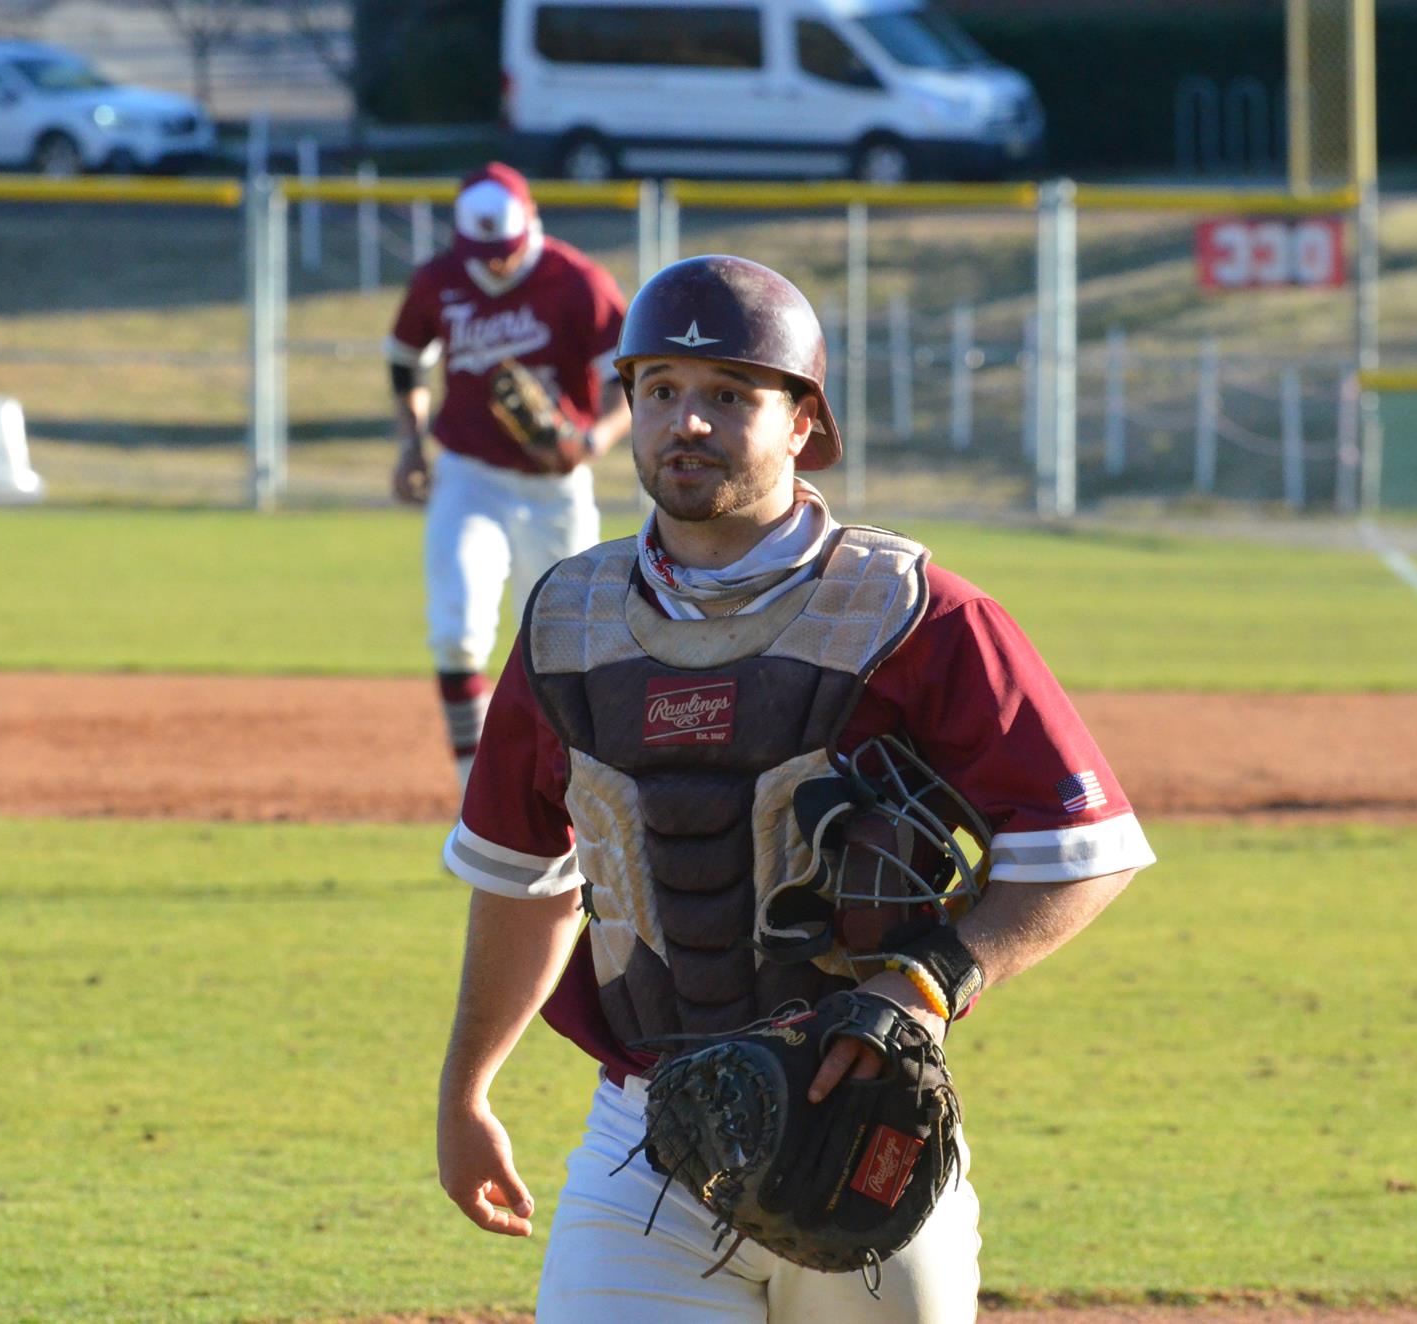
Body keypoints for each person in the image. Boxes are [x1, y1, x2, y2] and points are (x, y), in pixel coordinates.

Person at [435, 254, 1156, 1323]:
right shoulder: (563, 624)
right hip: (644, 1132)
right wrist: (465, 1088)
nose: (687, 423)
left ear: (801, 423)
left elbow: (1082, 848)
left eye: (728, 395)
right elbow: (522, 877)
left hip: (858, 1127)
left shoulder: (912, 611)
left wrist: (921, 983)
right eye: (661, 392)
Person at [385, 161, 632, 787]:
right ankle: (475, 798)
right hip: (469, 478)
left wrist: (591, 440)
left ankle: (573, 798)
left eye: (505, 251)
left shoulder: (577, 282)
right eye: (482, 252)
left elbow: (627, 384)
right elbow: (405, 361)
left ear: (531, 228)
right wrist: (411, 445)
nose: (494, 265)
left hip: (556, 492)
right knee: (458, 632)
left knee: (571, 650)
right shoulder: (439, 280)